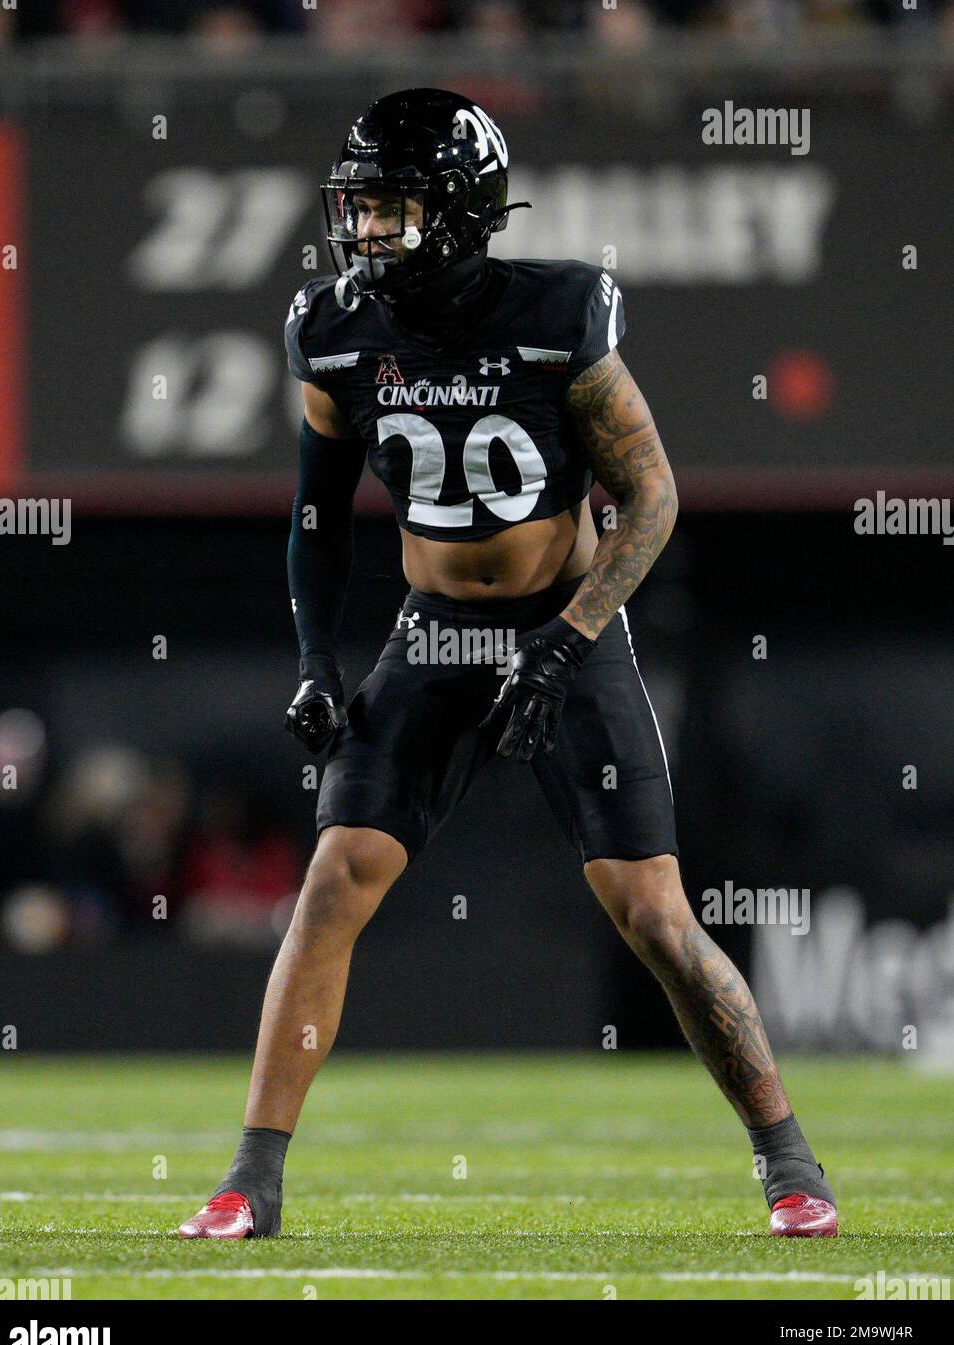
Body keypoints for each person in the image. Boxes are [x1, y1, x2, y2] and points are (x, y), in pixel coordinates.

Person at [179, 88, 836, 1240]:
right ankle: (250, 1181)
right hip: (432, 632)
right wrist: (315, 660)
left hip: (560, 622)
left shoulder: (555, 312)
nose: (363, 230)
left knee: (651, 913)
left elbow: (650, 498)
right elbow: (316, 520)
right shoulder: (332, 329)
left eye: (389, 208)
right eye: (358, 207)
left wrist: (566, 640)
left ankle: (788, 1163)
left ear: (457, 212)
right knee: (331, 882)